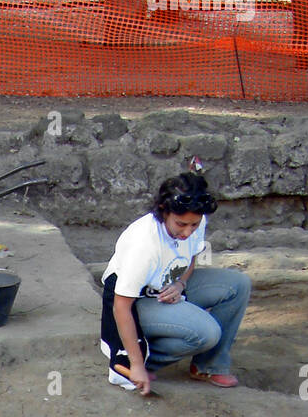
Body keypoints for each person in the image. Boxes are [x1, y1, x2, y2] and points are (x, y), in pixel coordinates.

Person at [101, 168, 251, 395]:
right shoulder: (144, 244)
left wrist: (181, 284)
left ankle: (209, 365)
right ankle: (145, 359)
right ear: (164, 211)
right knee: (207, 332)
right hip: (137, 300)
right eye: (181, 224)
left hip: (168, 285)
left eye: (194, 225)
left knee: (238, 284)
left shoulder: (194, 221)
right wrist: (137, 364)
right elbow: (121, 305)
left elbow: (190, 258)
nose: (188, 231)